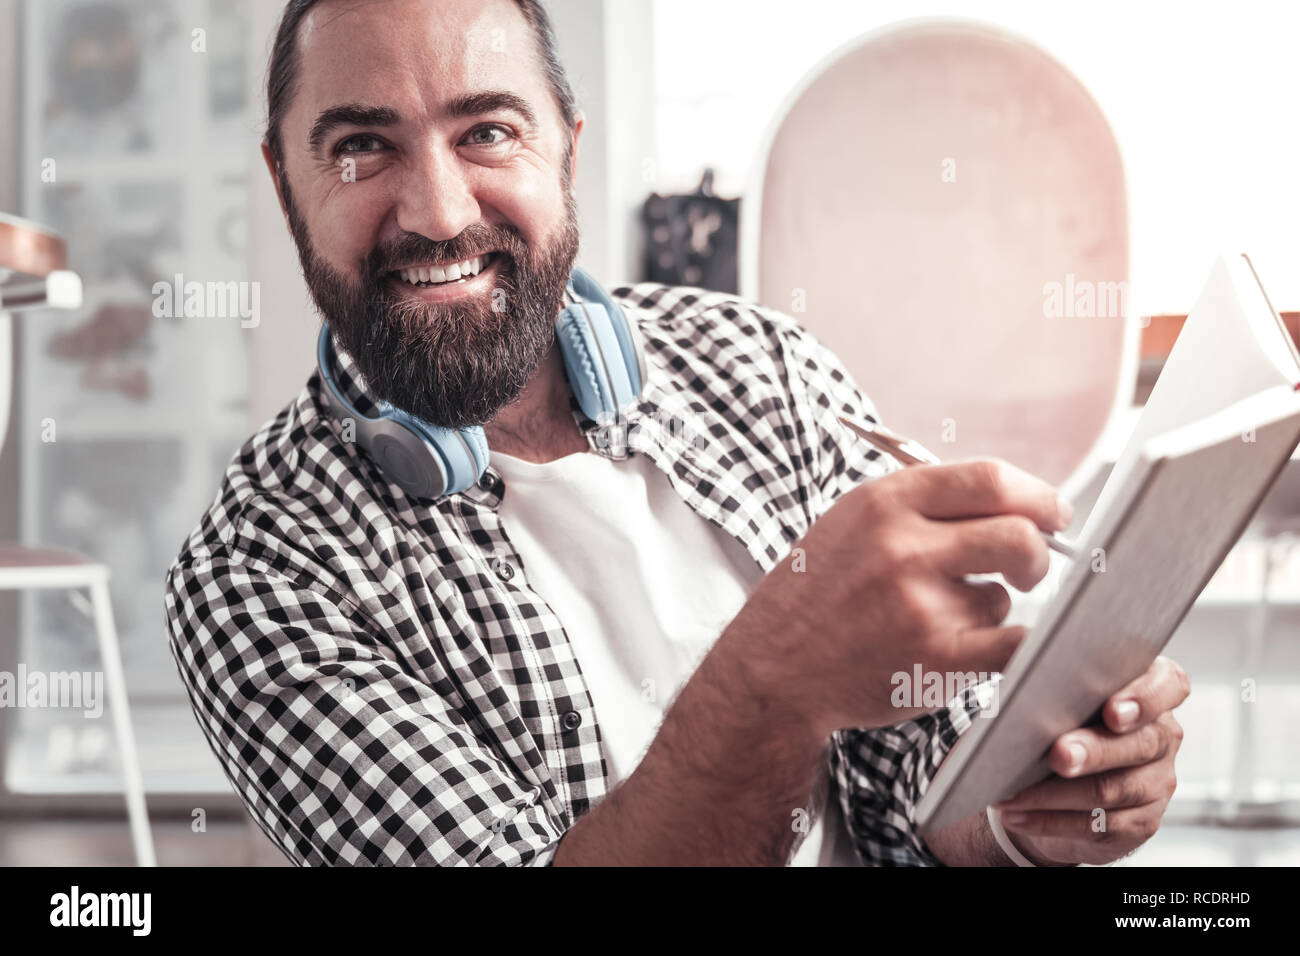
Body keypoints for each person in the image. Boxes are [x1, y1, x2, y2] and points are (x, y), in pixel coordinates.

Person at [164, 0, 1186, 866]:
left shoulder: (763, 363)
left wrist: (1027, 804)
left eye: (486, 132)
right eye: (360, 147)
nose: (435, 212)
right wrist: (776, 681)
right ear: (284, 178)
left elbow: (913, 796)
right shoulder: (258, 569)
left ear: (567, 143)